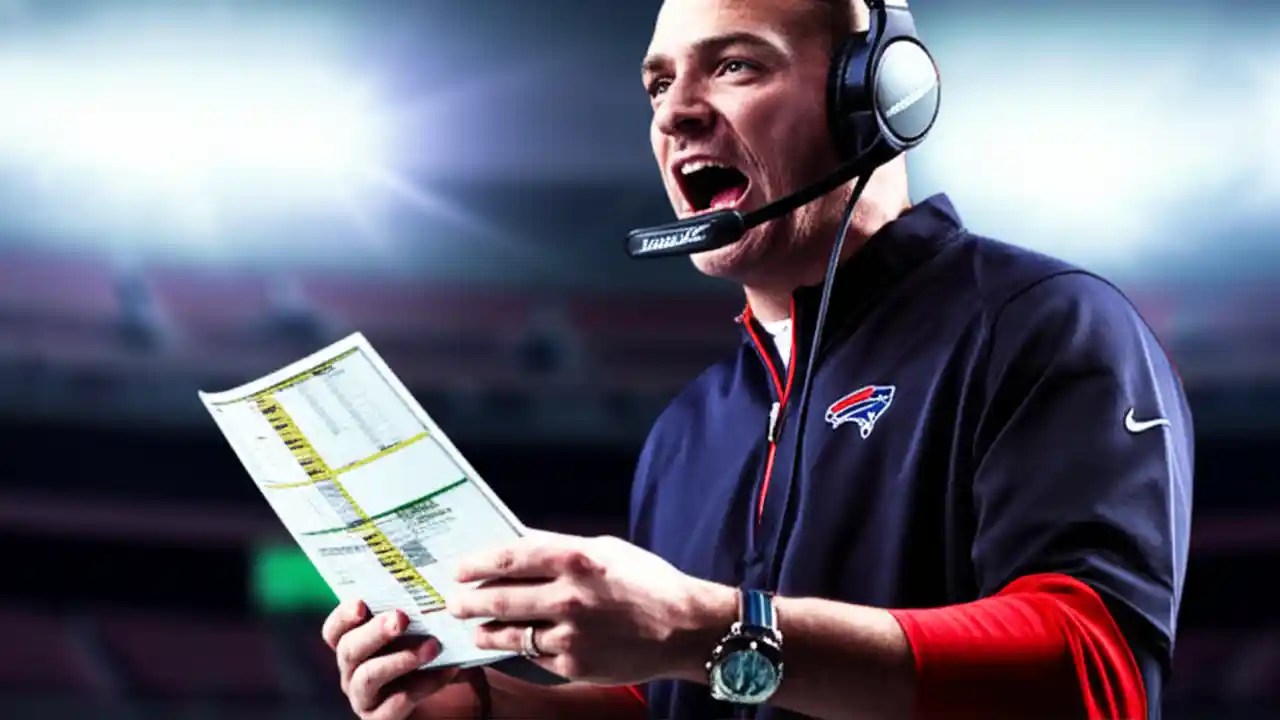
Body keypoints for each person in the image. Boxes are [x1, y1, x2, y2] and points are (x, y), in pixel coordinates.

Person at [321, 0, 1193, 718]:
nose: (673, 112)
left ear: (877, 97)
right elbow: (681, 699)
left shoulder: (1044, 324)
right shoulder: (689, 427)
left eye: (733, 65)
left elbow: (1094, 672)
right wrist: (490, 708)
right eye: (659, 83)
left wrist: (706, 629)